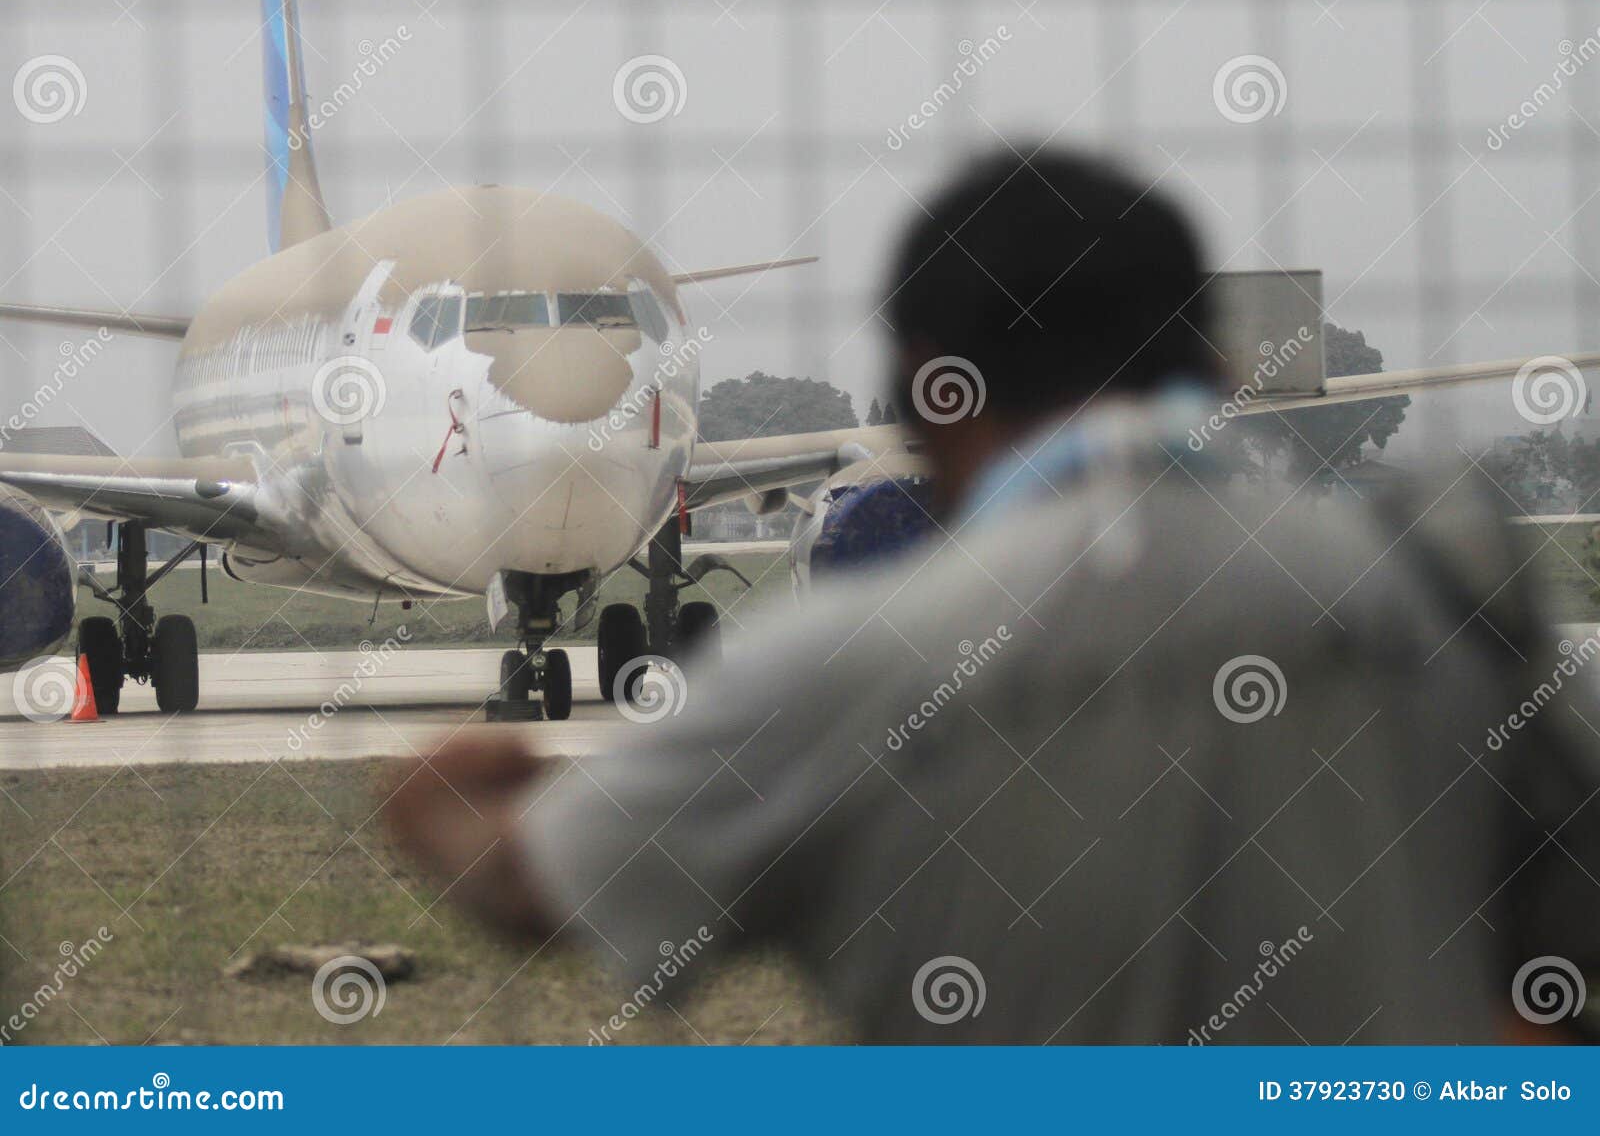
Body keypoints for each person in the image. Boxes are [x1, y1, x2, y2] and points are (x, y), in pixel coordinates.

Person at [385, 147, 1600, 1043]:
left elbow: (534, 885)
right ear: (1221, 363)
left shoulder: (844, 664)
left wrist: (435, 782)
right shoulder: (1450, 601)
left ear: (928, 391)